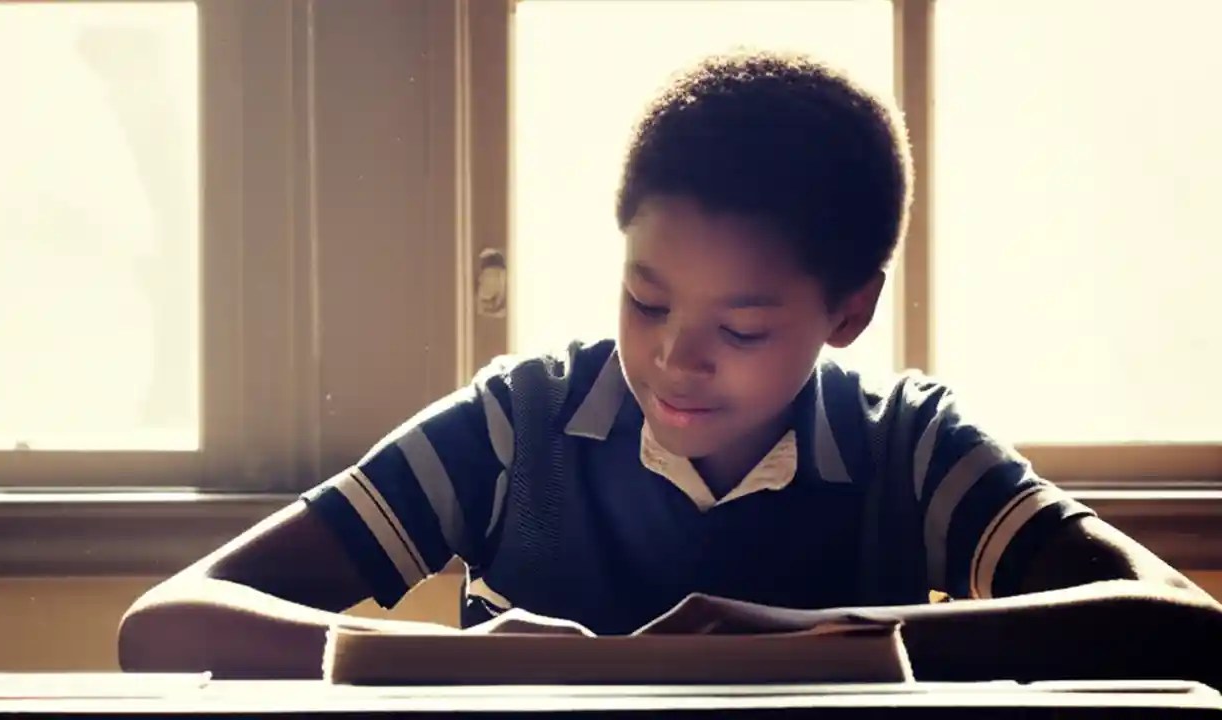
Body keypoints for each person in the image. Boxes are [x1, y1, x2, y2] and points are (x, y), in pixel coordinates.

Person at [118, 51, 1222, 684]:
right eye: (644, 299)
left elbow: (1174, 622)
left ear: (848, 311)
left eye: (739, 329)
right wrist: (462, 663)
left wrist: (812, 645)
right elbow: (165, 623)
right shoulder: (520, 425)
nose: (671, 357)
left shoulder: (905, 448)